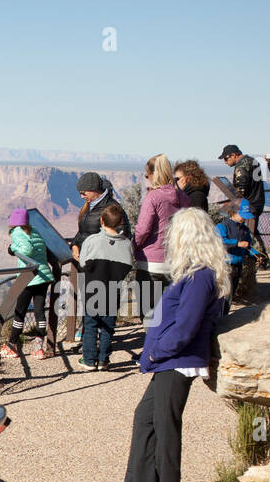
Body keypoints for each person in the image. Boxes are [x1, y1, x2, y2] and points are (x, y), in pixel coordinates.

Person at [103, 208, 228, 482]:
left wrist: (157, 352)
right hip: (169, 360)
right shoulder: (196, 274)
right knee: (146, 419)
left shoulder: (200, 277)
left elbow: (186, 326)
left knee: (166, 425)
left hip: (175, 361)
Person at [66, 171, 126, 349]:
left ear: (94, 190)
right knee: (89, 304)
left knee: (103, 308)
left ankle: (96, 351)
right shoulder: (89, 206)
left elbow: (122, 234)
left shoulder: (112, 207)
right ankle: (90, 344)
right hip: (87, 263)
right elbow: (82, 232)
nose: (81, 195)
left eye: (83, 192)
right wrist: (75, 245)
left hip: (103, 266)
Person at [133, 154, 190, 324]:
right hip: (175, 262)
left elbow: (142, 230)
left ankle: (153, 348)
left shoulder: (153, 197)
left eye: (146, 175)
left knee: (149, 314)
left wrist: (132, 247)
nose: (147, 179)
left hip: (151, 263)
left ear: (153, 174)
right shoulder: (183, 198)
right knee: (170, 312)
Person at [78, 204, 133, 370]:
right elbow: (129, 265)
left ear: (101, 220)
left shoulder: (92, 241)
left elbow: (82, 263)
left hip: (92, 288)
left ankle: (88, 360)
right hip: (113, 290)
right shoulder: (126, 244)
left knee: (91, 324)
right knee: (108, 326)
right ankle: (104, 360)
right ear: (120, 222)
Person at [1, 207, 54, 358]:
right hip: (44, 276)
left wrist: (12, 248)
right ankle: (39, 348)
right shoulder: (34, 230)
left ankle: (12, 345)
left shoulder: (17, 231)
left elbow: (27, 249)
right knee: (39, 311)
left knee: (20, 312)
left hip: (29, 277)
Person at [219, 145, 267, 263]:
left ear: (234, 155)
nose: (225, 162)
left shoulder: (241, 166)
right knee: (254, 231)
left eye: (226, 158)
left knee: (250, 234)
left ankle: (259, 259)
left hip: (248, 204)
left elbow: (241, 189)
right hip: (258, 201)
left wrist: (232, 203)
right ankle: (263, 258)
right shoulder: (252, 161)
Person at [216, 200, 258, 305]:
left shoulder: (245, 229)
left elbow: (247, 246)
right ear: (233, 212)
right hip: (225, 265)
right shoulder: (222, 227)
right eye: (242, 215)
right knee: (225, 293)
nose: (244, 218)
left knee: (232, 291)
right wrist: (237, 243)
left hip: (238, 265)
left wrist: (254, 254)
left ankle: (226, 312)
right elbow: (220, 242)